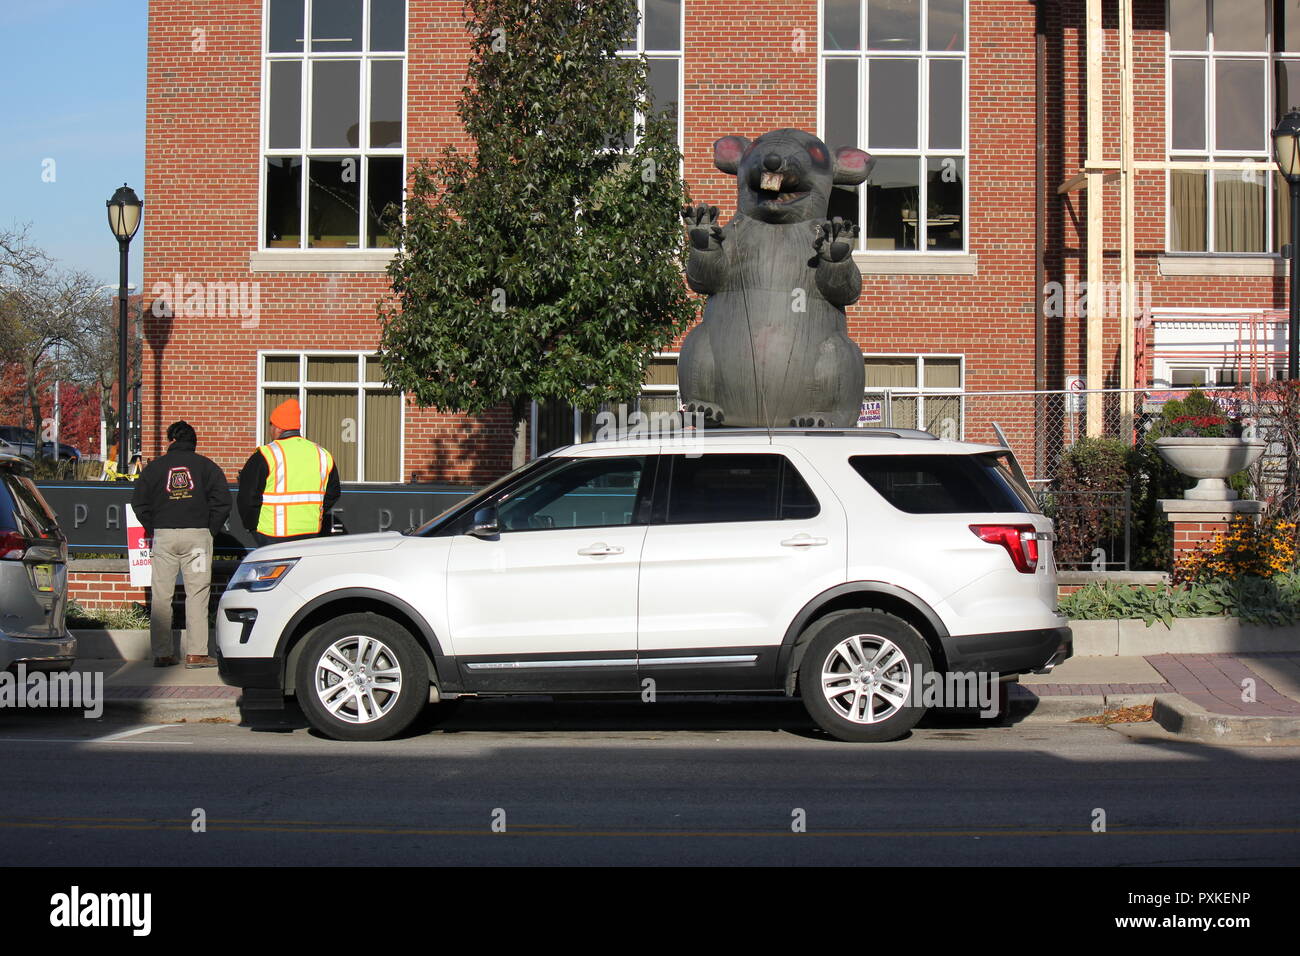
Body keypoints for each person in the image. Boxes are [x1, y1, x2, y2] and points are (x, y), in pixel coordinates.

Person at [130, 421, 232, 668]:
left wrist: (154, 526)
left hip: (164, 535)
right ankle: (196, 653)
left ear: (170, 441)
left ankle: (162, 653)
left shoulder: (154, 468)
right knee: (197, 593)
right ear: (193, 442)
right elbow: (223, 501)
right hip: (197, 536)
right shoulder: (206, 466)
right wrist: (210, 529)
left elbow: (139, 502)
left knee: (161, 595)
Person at [237, 398, 340, 548]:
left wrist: (251, 526)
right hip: (310, 531)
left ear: (278, 427)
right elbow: (333, 492)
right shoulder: (322, 454)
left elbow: (248, 497)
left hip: (272, 534)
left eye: (270, 425)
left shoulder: (267, 454)